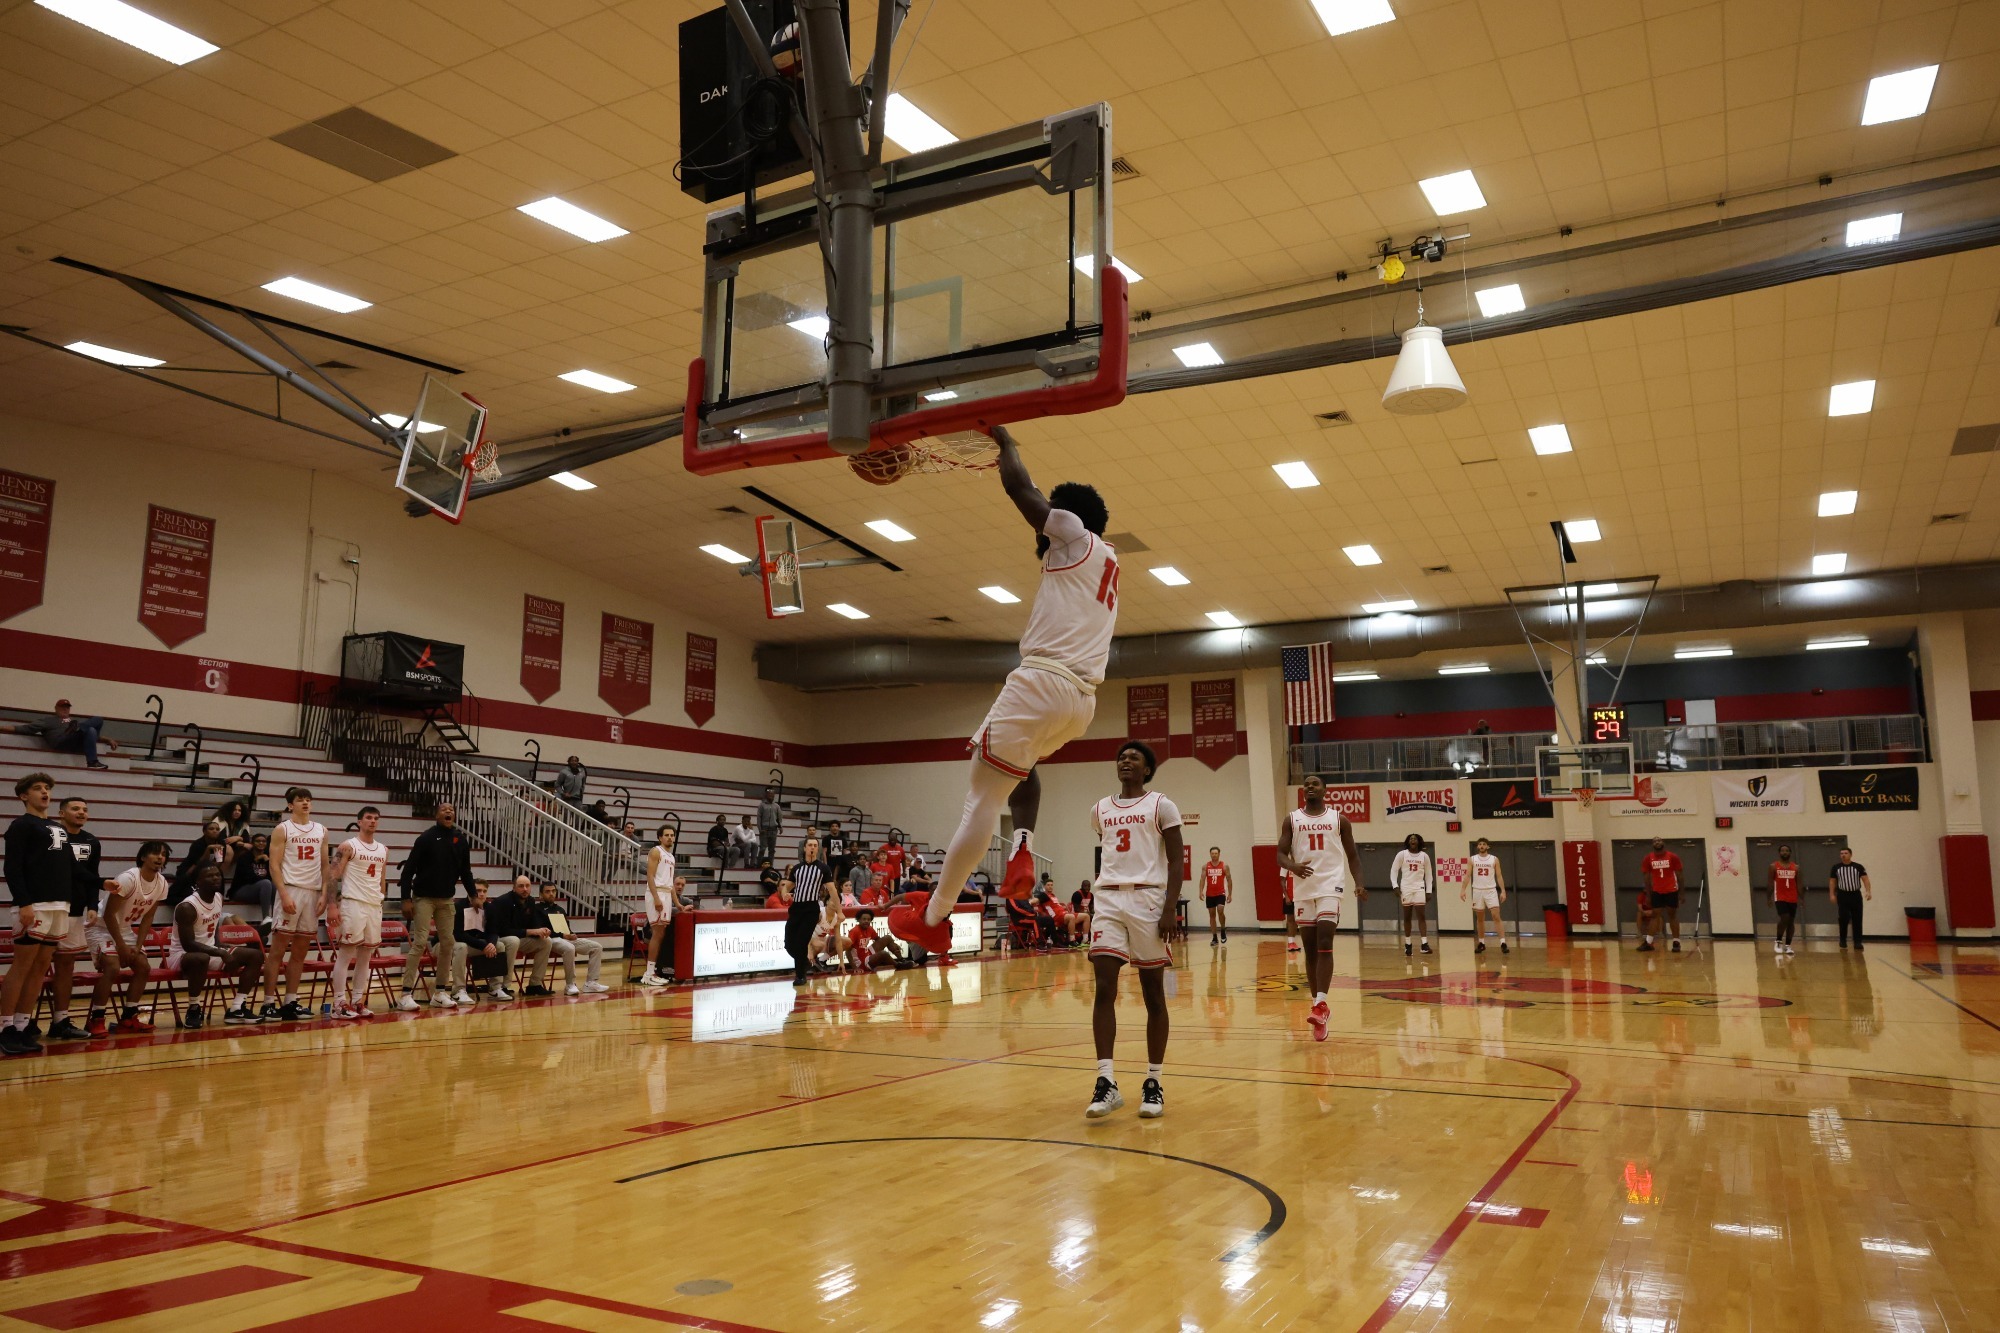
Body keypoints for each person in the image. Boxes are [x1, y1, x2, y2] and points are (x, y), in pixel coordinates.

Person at [891, 426, 1116, 955]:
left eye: (1055, 511)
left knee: (979, 800)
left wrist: (1004, 443)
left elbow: (1022, 492)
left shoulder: (1076, 536)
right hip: (1080, 705)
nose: (1046, 520)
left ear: (1071, 516)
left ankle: (934, 917)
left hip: (1045, 681)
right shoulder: (1107, 561)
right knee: (1021, 770)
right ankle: (1023, 847)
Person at [1083, 741, 1182, 1120]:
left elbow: (1175, 859)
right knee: (1104, 986)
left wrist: (1170, 906)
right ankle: (1106, 1082)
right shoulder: (1100, 809)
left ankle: (1153, 1083)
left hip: (1149, 900)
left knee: (1153, 994)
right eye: (1121, 757)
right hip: (1108, 899)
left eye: (1134, 758)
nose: (1125, 761)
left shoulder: (1162, 805)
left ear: (1147, 770)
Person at [1277, 773, 1363, 1043]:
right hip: (1303, 888)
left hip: (1330, 886)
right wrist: (1292, 866)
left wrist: (1359, 883)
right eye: (1306, 784)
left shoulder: (1340, 820)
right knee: (1311, 950)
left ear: (1325, 789)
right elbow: (1280, 853)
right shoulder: (1292, 819)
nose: (1309, 787)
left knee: (1326, 941)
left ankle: (1321, 1003)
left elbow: (1353, 856)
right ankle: (1318, 1006)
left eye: (1315, 783)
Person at [2, 772, 69, 1054]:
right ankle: (4, 1027)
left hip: (59, 905)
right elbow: (12, 867)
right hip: (35, 904)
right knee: (22, 965)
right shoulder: (21, 826)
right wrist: (24, 902)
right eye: (38, 788)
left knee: (41, 967)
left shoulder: (58, 828)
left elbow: (69, 867)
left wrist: (98, 883)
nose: (45, 792)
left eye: (47, 788)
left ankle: (22, 1024)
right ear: (23, 796)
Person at [395, 800, 477, 1010]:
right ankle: (405, 993)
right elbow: (408, 871)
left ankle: (440, 992)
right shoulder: (426, 838)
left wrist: (473, 895)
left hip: (446, 899)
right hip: (423, 897)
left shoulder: (461, 840)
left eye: (452, 809)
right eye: (444, 809)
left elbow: (466, 872)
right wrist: (406, 899)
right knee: (420, 941)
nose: (449, 811)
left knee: (448, 942)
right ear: (437, 816)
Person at [87, 839, 171, 1036]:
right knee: (112, 966)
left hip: (123, 928)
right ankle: (96, 1018)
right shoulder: (129, 878)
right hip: (100, 925)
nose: (160, 857)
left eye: (163, 854)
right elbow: (108, 914)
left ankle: (128, 1017)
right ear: (143, 857)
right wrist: (121, 946)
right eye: (155, 853)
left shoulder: (162, 883)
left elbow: (148, 917)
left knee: (143, 967)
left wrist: (138, 945)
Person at [43, 795, 107, 1042]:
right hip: (48, 906)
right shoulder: (52, 836)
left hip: (75, 910)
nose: (82, 812)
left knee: (66, 966)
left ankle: (60, 1020)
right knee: (37, 964)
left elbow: (92, 875)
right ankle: (21, 1022)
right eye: (75, 808)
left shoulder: (92, 841)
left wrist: (92, 905)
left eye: (85, 809)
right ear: (61, 813)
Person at [258, 786, 325, 1022]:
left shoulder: (321, 830)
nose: (305, 803)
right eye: (300, 800)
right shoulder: (282, 829)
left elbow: (325, 866)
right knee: (277, 950)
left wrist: (325, 894)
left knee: (299, 953)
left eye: (308, 799)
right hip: (291, 890)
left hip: (312, 892)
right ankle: (267, 1003)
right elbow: (274, 866)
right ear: (290, 805)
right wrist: (284, 895)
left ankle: (290, 1001)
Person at [169, 861, 263, 1029]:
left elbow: (211, 931)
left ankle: (237, 1008)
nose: (215, 878)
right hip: (182, 955)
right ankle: (194, 1008)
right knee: (201, 958)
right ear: (197, 881)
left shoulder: (218, 898)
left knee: (255, 955)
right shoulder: (187, 907)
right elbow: (188, 944)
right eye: (209, 876)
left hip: (210, 950)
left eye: (217, 875)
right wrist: (221, 953)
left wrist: (222, 946)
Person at [324, 805, 389, 1019]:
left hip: (373, 906)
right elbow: (333, 876)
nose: (373, 821)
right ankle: (339, 1003)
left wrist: (381, 899)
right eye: (368, 818)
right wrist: (332, 906)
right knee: (346, 954)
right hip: (353, 904)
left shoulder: (383, 849)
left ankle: (358, 1000)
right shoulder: (348, 846)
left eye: (376, 818)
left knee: (366, 956)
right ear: (359, 821)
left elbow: (381, 880)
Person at [538, 882, 609, 994]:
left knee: (596, 947)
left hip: (566, 938)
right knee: (569, 948)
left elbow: (566, 929)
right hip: (551, 940)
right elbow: (541, 931)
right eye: (547, 891)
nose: (551, 894)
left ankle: (591, 983)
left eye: (553, 891)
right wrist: (563, 936)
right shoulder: (538, 909)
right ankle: (570, 984)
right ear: (541, 894)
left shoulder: (560, 909)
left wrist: (571, 935)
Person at [638, 826, 686, 988]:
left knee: (661, 932)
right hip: (656, 893)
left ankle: (652, 972)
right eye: (666, 835)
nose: (670, 838)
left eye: (672, 835)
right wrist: (657, 898)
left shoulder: (671, 856)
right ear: (660, 837)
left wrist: (678, 904)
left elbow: (670, 884)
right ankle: (649, 973)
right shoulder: (655, 851)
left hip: (665, 893)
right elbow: (650, 876)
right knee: (657, 932)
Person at [11, 699, 117, 769]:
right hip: (62, 741)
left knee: (96, 722)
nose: (65, 709)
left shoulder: (73, 722)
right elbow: (25, 728)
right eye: (62, 707)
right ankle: (92, 759)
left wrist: (108, 739)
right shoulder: (48, 720)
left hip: (77, 741)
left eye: (67, 707)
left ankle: (92, 762)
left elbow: (93, 736)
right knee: (89, 728)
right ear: (56, 708)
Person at [782, 836, 830, 986]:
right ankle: (805, 962)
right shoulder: (797, 868)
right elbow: (787, 886)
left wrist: (839, 909)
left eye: (815, 845)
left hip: (811, 908)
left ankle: (800, 975)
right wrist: (784, 892)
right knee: (789, 944)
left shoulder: (822, 868)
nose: (812, 848)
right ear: (804, 848)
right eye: (810, 845)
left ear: (818, 849)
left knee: (802, 943)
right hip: (796, 908)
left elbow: (832, 889)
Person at [488, 874, 546, 995]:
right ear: (514, 888)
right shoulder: (502, 902)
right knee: (513, 940)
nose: (525, 889)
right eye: (521, 886)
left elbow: (534, 924)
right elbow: (502, 930)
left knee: (546, 942)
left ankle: (535, 984)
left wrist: (541, 930)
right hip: (501, 939)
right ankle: (504, 986)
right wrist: (529, 932)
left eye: (527, 886)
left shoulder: (530, 901)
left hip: (520, 939)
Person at [171, 818, 237, 905]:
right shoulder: (198, 844)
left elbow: (217, 864)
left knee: (218, 873)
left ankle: (219, 899)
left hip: (207, 868)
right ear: (204, 832)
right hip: (191, 868)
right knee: (188, 875)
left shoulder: (220, 843)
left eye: (217, 829)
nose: (215, 831)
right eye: (211, 829)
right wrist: (207, 850)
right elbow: (197, 864)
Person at [452, 885, 501, 1002]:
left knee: (499, 945)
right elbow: (459, 935)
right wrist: (483, 946)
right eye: (478, 891)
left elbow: (494, 932)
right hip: (450, 944)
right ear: (470, 893)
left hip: (473, 944)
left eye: (484, 891)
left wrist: (491, 944)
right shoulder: (458, 906)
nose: (482, 894)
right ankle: (458, 990)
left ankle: (495, 988)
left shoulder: (490, 907)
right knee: (461, 947)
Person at [1391, 833, 1434, 957]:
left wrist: (1429, 890)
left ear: (1419, 842)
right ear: (1408, 842)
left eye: (1415, 838)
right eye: (1411, 838)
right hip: (1406, 888)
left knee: (1421, 916)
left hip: (1419, 887)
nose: (1413, 840)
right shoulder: (1402, 854)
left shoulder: (1424, 856)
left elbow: (1429, 874)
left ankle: (1424, 944)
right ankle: (1408, 944)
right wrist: (1395, 886)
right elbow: (1394, 870)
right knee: (1407, 917)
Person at [1464, 837, 1509, 956]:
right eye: (1480, 844)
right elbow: (1468, 875)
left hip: (1491, 891)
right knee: (1480, 918)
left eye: (1484, 844)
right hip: (1477, 891)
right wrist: (1463, 890)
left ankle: (1503, 943)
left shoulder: (1494, 859)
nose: (1482, 846)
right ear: (1478, 847)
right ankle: (1481, 943)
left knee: (1496, 916)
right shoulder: (1472, 859)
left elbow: (1499, 876)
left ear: (1487, 846)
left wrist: (1503, 890)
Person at [1640, 837, 1684, 953]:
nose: (1657, 842)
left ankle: (1676, 942)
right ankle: (1649, 943)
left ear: (1663, 843)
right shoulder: (1648, 858)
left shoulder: (1672, 857)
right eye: (1654, 841)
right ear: (1652, 844)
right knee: (1655, 916)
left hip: (1671, 890)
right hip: (1657, 891)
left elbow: (1680, 875)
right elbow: (1647, 878)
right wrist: (1648, 895)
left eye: (1659, 840)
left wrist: (1682, 892)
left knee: (1672, 916)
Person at [228, 832, 275, 922]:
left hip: (261, 890)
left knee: (274, 886)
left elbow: (273, 876)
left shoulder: (268, 858)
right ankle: (266, 919)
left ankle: (275, 917)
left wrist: (268, 862)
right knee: (266, 883)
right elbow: (249, 878)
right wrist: (257, 862)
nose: (261, 843)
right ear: (252, 843)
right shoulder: (244, 858)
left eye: (263, 841)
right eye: (258, 841)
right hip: (241, 890)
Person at [1831, 848, 1871, 951]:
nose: (1843, 855)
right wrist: (1832, 894)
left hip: (1855, 895)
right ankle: (1843, 940)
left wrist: (1868, 891)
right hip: (1843, 895)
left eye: (1845, 853)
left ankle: (1858, 941)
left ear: (1851, 855)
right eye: (1841, 853)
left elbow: (1865, 879)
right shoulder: (1836, 867)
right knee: (1843, 918)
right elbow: (1832, 881)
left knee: (1857, 918)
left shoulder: (1858, 867)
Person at [1768, 844, 1800, 955]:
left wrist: (1801, 897)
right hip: (1780, 896)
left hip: (1792, 897)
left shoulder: (1795, 867)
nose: (1784, 852)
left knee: (1791, 921)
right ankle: (1778, 940)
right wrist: (1769, 897)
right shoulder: (1773, 866)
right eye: (1782, 850)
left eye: (1787, 850)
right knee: (1784, 917)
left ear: (1790, 853)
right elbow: (1770, 883)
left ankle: (1788, 946)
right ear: (1779, 853)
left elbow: (1799, 883)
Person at [1199, 847, 1232, 946]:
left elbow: (1229, 880)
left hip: (1220, 893)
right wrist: (1200, 891)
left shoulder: (1224, 866)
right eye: (1212, 853)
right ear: (1210, 854)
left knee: (1220, 910)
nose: (1214, 855)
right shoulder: (1206, 866)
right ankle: (1214, 937)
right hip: (1210, 894)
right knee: (1212, 915)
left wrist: (1230, 894)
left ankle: (1222, 929)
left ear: (1219, 854)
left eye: (1216, 853)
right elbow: (1202, 879)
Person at [757, 787, 783, 864]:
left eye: (773, 794)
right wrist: (760, 829)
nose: (771, 795)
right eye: (769, 793)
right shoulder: (762, 805)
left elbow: (779, 817)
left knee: (772, 849)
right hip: (764, 829)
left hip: (773, 830)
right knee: (762, 848)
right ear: (766, 794)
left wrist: (780, 827)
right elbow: (759, 818)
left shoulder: (777, 806)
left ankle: (770, 864)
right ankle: (758, 864)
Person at [1070, 879, 1094, 945]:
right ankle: (1085, 939)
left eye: (1089, 886)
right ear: (1081, 886)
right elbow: (1076, 909)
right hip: (1075, 915)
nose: (1087, 888)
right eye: (1085, 886)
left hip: (1087, 915)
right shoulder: (1077, 894)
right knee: (1089, 917)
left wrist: (1095, 913)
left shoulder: (1091, 895)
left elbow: (1091, 908)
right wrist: (1088, 914)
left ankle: (1092, 938)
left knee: (1095, 917)